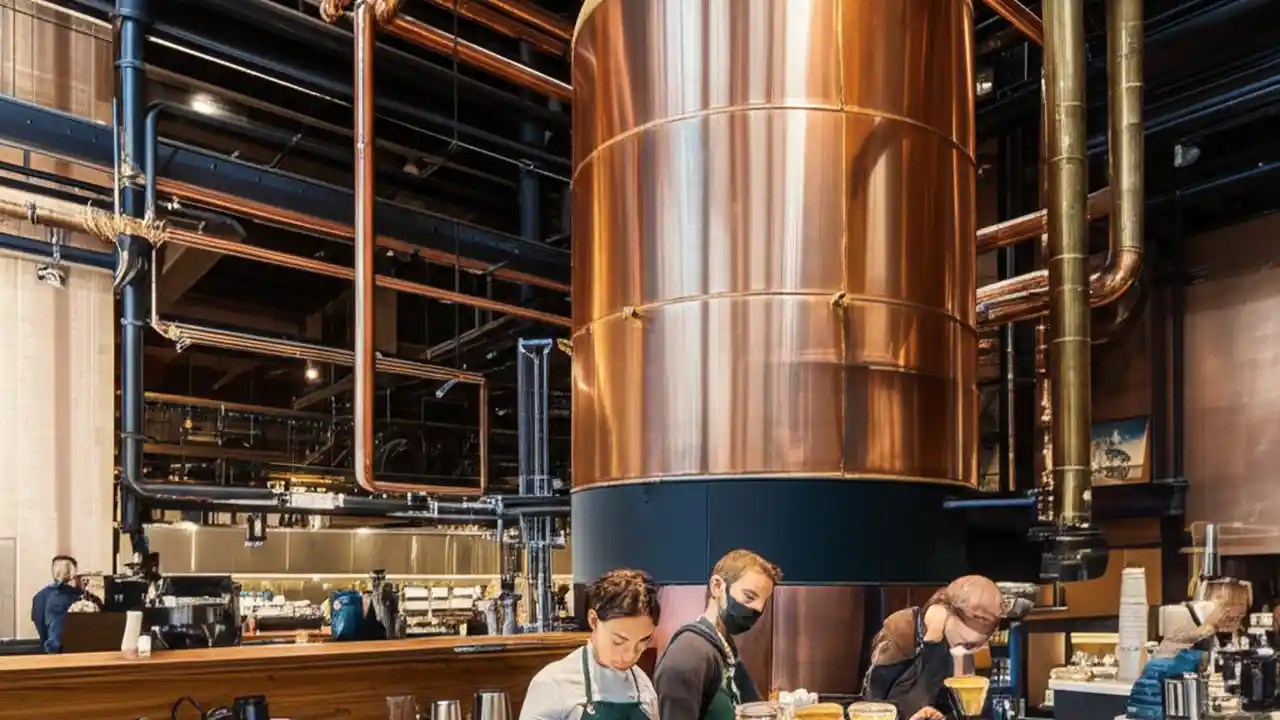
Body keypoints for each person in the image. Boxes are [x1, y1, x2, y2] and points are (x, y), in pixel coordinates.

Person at [654, 549, 782, 720]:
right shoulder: (689, 654)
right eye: (749, 596)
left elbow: (755, 707)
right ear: (717, 587)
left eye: (763, 602)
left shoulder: (726, 650)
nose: (757, 609)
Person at [520, 569, 662, 720]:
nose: (630, 655)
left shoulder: (644, 687)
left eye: (642, 642)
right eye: (618, 641)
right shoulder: (553, 683)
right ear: (593, 620)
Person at [862, 575, 1004, 720]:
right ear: (949, 613)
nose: (969, 650)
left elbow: (981, 712)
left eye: (976, 645)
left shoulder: (970, 653)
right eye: (966, 644)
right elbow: (871, 706)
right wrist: (933, 642)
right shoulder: (903, 631)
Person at [30, 555, 92, 653]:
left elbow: (39, 624)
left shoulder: (39, 596)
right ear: (72, 574)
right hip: (66, 652)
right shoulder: (73, 596)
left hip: (47, 651)